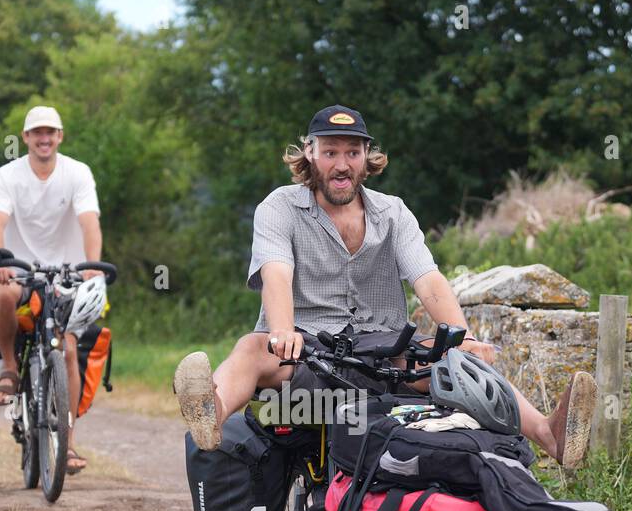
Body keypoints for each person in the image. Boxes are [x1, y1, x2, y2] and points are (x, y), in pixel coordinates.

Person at [173, 105, 596, 467]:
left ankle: (549, 434)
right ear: (310, 153)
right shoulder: (279, 207)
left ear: (365, 157)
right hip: (306, 352)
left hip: (382, 356)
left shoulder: (393, 213)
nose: (342, 164)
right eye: (331, 152)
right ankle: (211, 412)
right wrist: (283, 331)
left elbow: (428, 280)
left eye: (352, 152)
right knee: (252, 346)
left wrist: (462, 338)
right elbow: (276, 273)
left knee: (458, 363)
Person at [0, 105, 104, 475]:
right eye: (37, 132)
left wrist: (92, 266)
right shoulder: (7, 175)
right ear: (26, 138)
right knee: (1, 294)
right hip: (19, 272)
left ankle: (66, 442)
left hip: (67, 273)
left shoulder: (77, 173)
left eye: (51, 132)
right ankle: (8, 367)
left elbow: (90, 223)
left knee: (67, 347)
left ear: (60, 136)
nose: (44, 138)